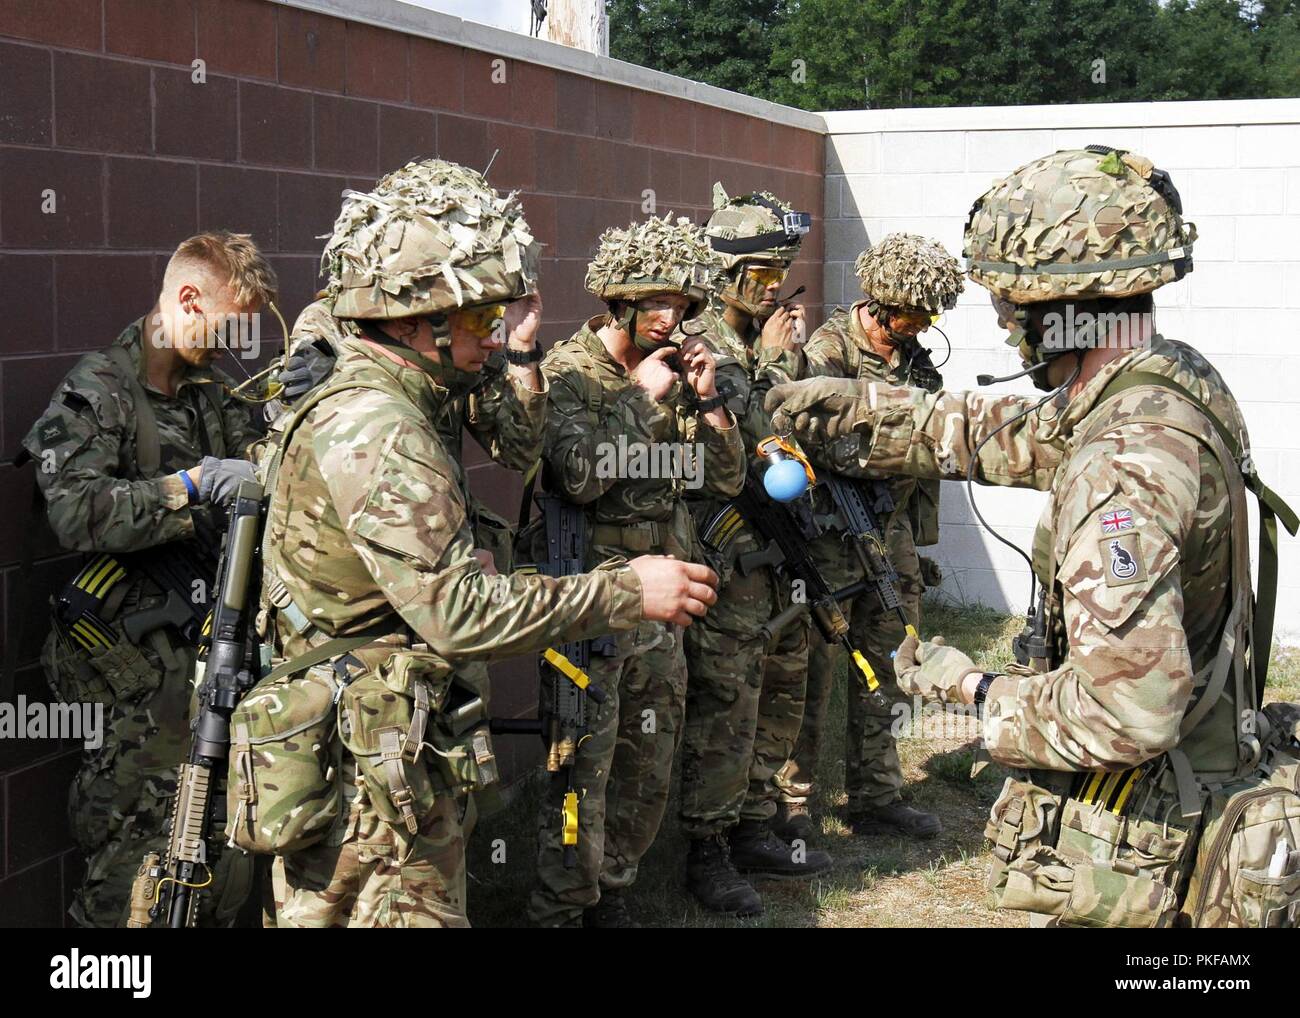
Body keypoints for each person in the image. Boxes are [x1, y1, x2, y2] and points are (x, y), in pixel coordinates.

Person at [765, 146, 1294, 926]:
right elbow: (1012, 430)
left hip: (1152, 840)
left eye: (1013, 305)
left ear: (1060, 309)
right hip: (1193, 792)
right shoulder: (1171, 379)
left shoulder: (1121, 471)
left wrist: (975, 694)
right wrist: (858, 410)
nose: (1008, 325)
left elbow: (1129, 712)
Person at [256, 160, 717, 928]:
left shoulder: (404, 390)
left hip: (385, 745)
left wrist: (517, 357)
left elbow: (514, 445)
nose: (492, 336)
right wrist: (629, 589)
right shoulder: (380, 427)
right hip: (363, 768)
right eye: (477, 321)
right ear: (413, 321)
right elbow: (458, 610)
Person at [22, 231, 278, 926]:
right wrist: (187, 488)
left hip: (196, 652)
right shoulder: (98, 388)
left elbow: (262, 465)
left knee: (212, 847)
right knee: (133, 854)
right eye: (228, 323)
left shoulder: (208, 391)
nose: (232, 344)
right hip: (128, 668)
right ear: (188, 298)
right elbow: (73, 513)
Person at [528, 214, 746, 927]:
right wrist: (640, 399)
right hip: (595, 595)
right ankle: (562, 901)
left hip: (666, 592)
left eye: (681, 305)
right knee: (581, 759)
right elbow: (579, 477)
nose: (669, 317)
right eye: (655, 302)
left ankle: (611, 888)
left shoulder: (681, 371)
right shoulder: (569, 372)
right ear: (617, 301)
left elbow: (726, 479)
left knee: (649, 752)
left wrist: (708, 400)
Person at [773, 233, 961, 843]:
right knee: (814, 668)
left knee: (891, 662)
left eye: (926, 319)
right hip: (830, 530)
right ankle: (793, 801)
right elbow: (820, 438)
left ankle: (877, 795)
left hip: (890, 529)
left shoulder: (914, 360)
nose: (914, 330)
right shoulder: (828, 350)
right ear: (877, 303)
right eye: (907, 316)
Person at [677, 184, 829, 917]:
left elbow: (789, 441)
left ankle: (755, 819)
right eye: (759, 278)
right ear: (725, 276)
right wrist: (773, 366)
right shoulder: (702, 342)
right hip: (729, 553)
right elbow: (737, 452)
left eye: (777, 278)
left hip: (774, 551)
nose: (770, 291)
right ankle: (706, 848)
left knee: (783, 682)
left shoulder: (755, 342)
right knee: (729, 700)